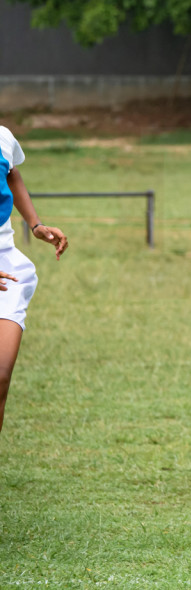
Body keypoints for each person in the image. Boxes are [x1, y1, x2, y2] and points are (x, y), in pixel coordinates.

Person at [0, 126, 69, 435]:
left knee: (0, 376)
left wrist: (35, 224)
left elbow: (12, 173)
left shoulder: (3, 137)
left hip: (7, 270)